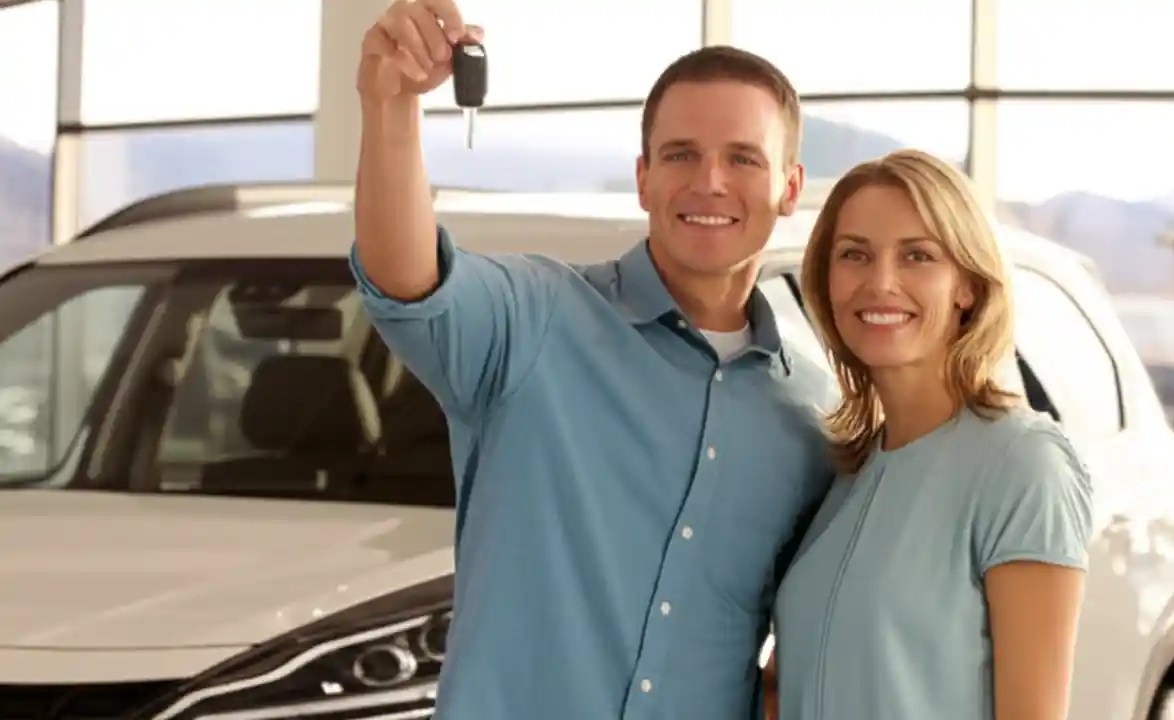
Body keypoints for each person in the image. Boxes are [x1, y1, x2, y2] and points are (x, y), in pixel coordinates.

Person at [349, 1, 837, 717]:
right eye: (681, 154)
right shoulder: (535, 318)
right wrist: (391, 108)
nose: (709, 181)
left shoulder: (812, 417)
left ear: (789, 188)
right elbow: (407, 281)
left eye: (743, 157)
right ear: (643, 178)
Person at [770, 149, 1093, 720]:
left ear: (966, 285)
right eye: (855, 255)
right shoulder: (846, 472)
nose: (880, 282)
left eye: (917, 255)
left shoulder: (1021, 465)